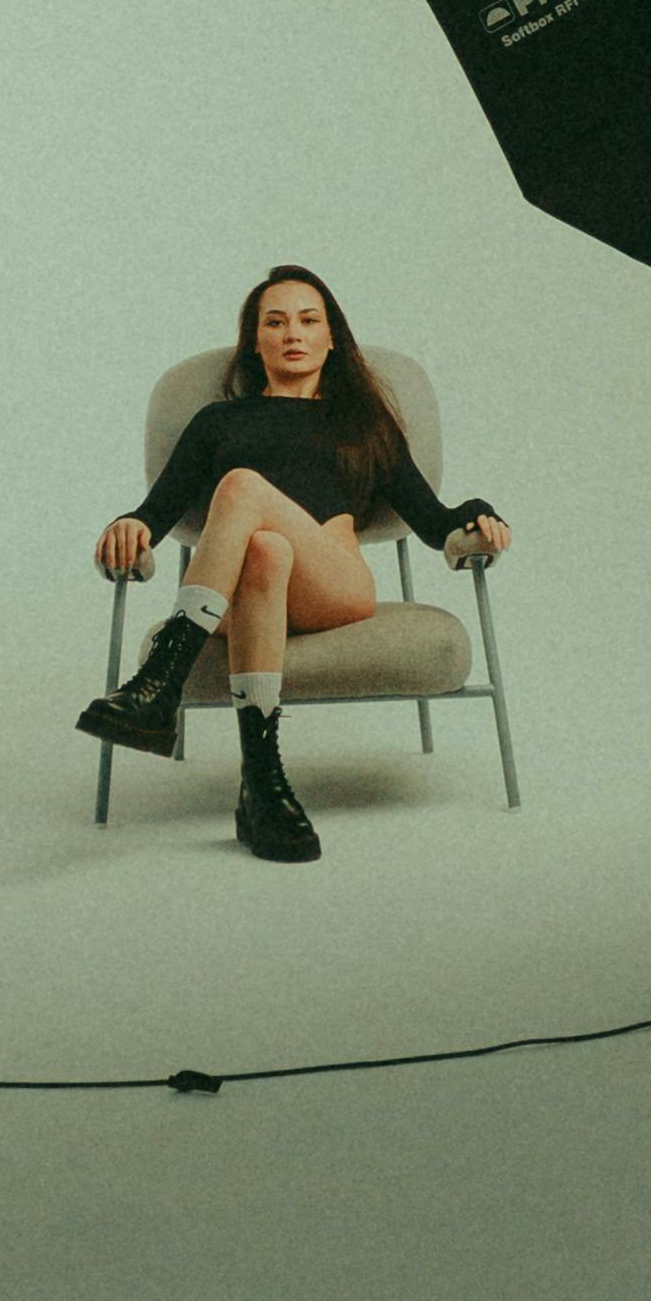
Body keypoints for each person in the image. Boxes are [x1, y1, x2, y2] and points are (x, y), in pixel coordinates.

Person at [79, 267, 511, 863]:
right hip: (243, 596)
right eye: (275, 322)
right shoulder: (217, 422)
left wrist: (479, 517)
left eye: (309, 321)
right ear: (254, 341)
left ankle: (161, 679)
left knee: (242, 489)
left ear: (333, 337)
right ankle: (262, 785)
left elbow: (434, 521)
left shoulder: (362, 423)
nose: (293, 334)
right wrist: (129, 526)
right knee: (265, 549)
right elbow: (157, 512)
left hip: (332, 586)